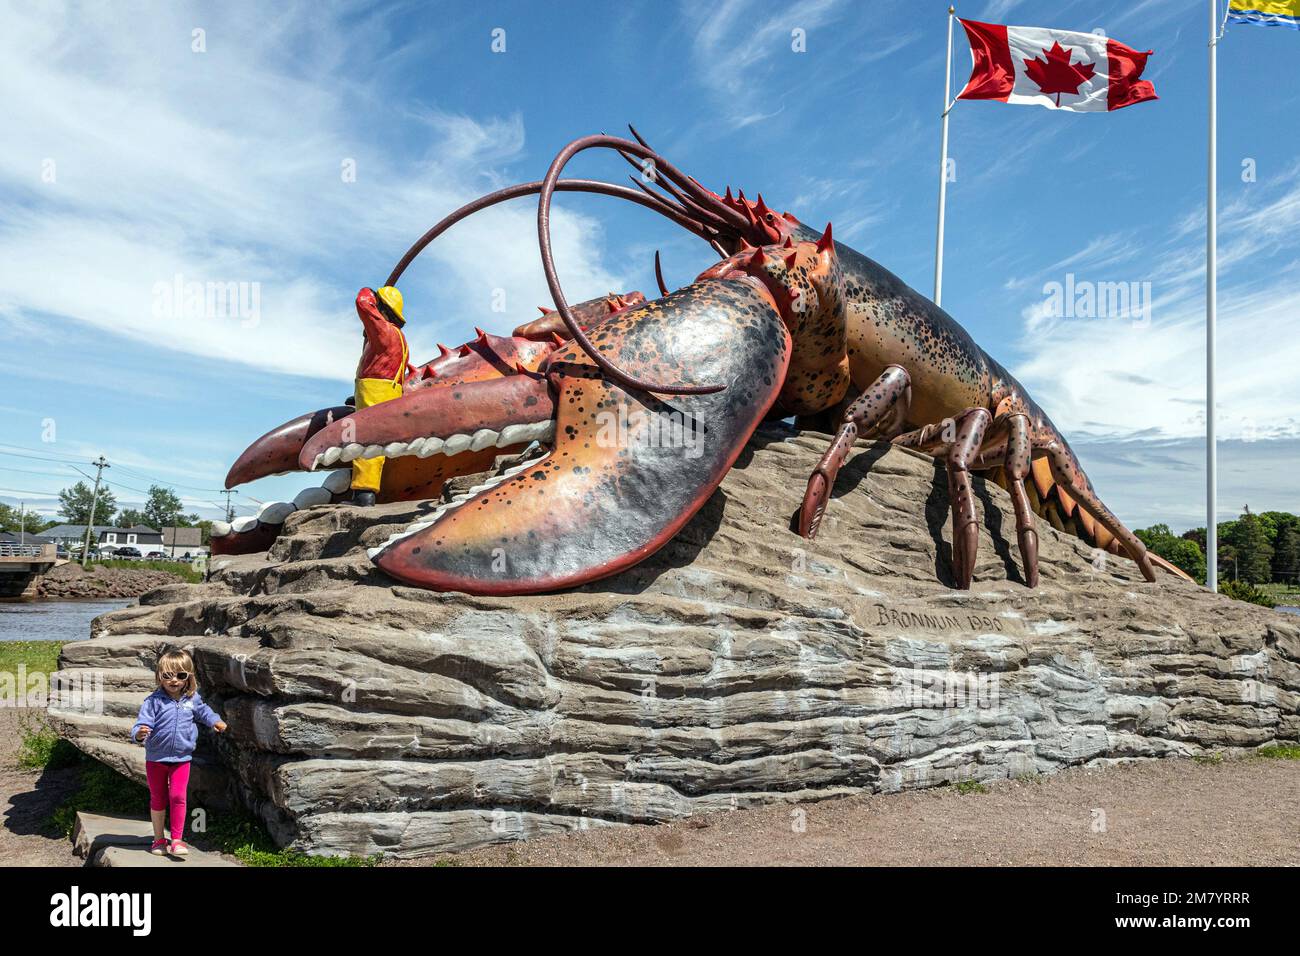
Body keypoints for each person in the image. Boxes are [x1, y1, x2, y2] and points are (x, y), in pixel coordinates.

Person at [129, 648, 227, 858]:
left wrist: (215, 721)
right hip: (156, 758)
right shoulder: (153, 702)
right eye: (168, 675)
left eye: (181, 675)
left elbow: (205, 712)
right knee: (158, 798)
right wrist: (139, 734)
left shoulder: (192, 699)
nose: (174, 680)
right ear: (160, 676)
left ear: (188, 677)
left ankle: (177, 839)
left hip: (182, 759)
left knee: (178, 797)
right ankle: (158, 839)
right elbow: (140, 724)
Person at [350, 285, 412, 506]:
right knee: (377, 438)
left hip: (375, 389)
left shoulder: (384, 331)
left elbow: (363, 304)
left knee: (365, 438)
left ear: (383, 308)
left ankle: (364, 492)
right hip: (387, 390)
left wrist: (368, 292)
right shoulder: (400, 338)